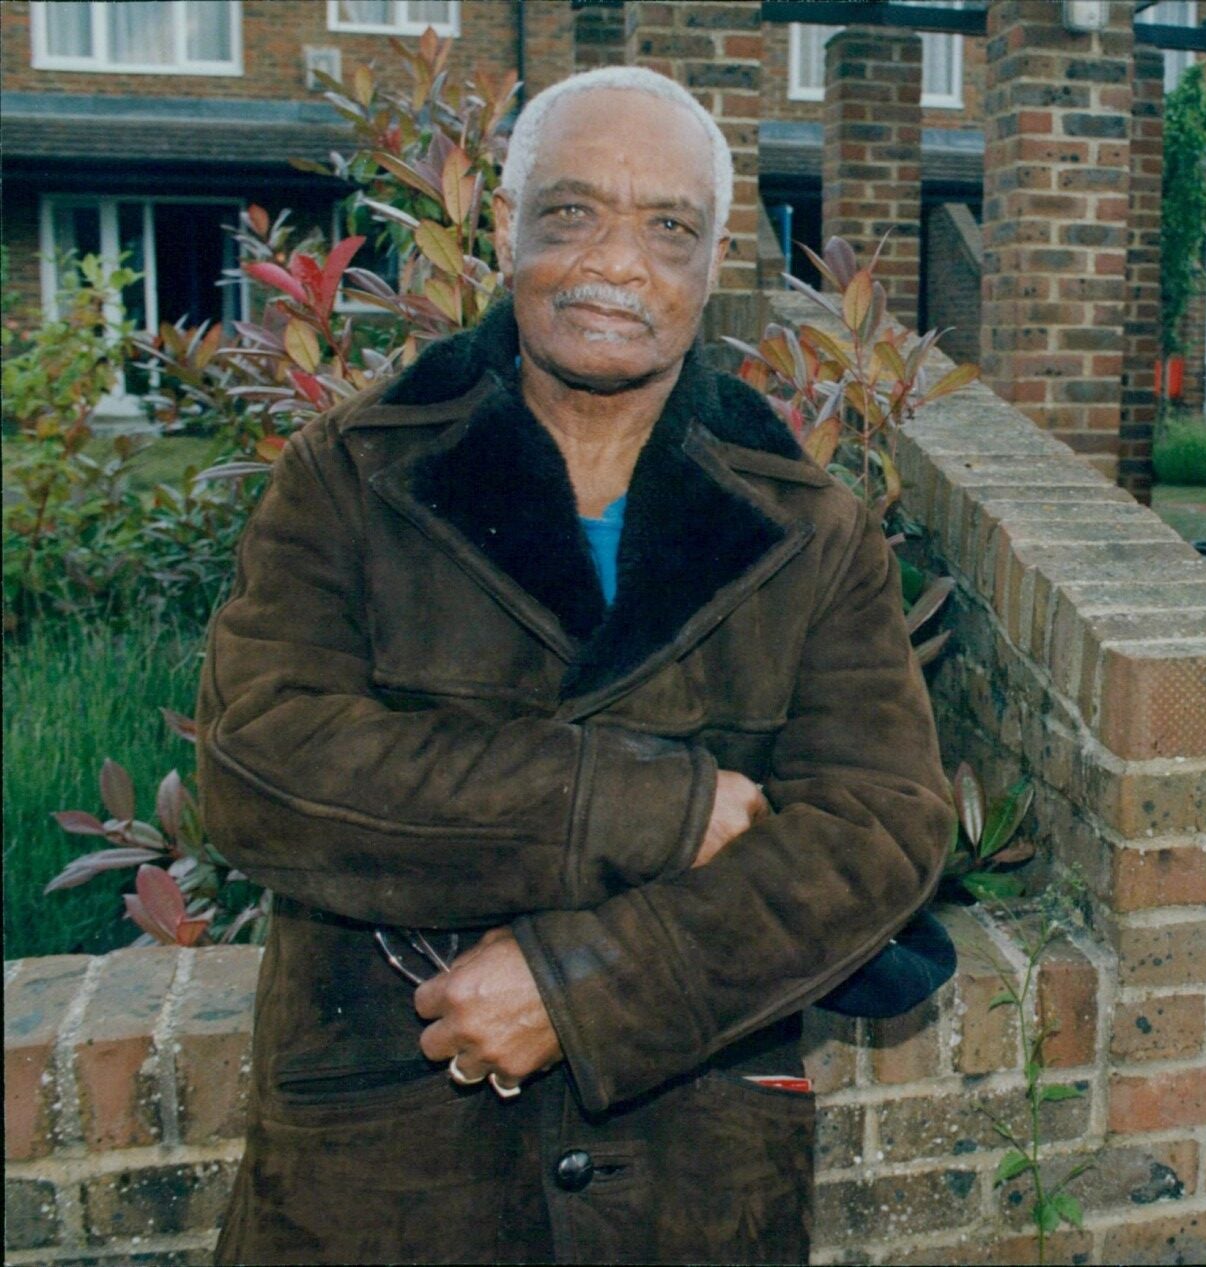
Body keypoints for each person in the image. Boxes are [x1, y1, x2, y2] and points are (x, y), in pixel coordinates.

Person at [196, 65, 955, 1264]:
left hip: (688, 1174)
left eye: (668, 228)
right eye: (571, 212)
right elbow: (263, 763)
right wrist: (651, 808)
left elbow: (880, 830)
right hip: (383, 1163)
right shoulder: (353, 475)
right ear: (508, 227)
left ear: (713, 262)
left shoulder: (811, 529)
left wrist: (586, 985)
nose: (615, 263)